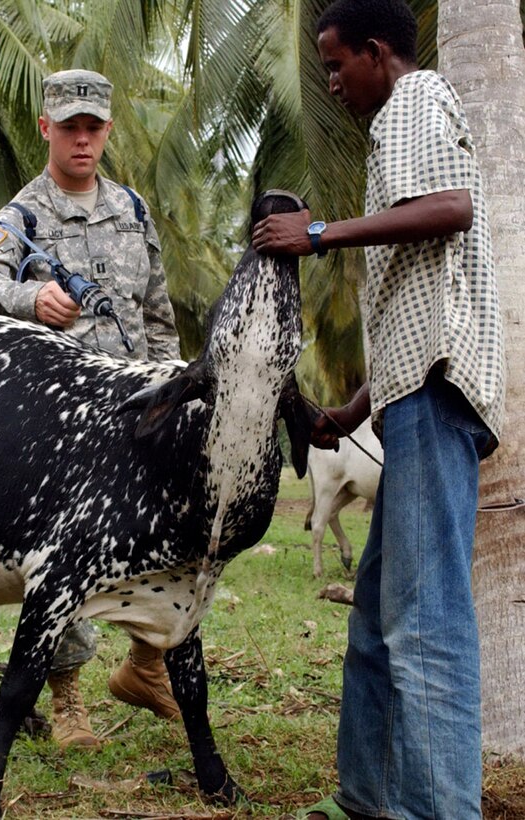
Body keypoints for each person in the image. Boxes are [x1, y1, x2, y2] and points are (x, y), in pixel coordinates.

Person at [251, 1, 505, 817]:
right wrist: (351, 409)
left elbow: (451, 208)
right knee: (374, 617)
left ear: (374, 51)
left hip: (434, 400)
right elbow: (413, 299)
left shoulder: (415, 98)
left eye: (334, 65)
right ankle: (364, 797)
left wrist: (315, 233)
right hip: (409, 395)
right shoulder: (395, 124)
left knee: (423, 622)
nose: (329, 83)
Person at [0, 69, 182, 750]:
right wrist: (29, 300)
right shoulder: (23, 216)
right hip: (61, 424)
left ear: (107, 130)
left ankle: (145, 663)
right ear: (45, 129)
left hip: (137, 407)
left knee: (171, 536)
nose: (81, 140)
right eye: (68, 127)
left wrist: (173, 388)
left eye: (92, 127)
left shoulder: (132, 209)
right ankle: (67, 701)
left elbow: (157, 310)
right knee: (65, 558)